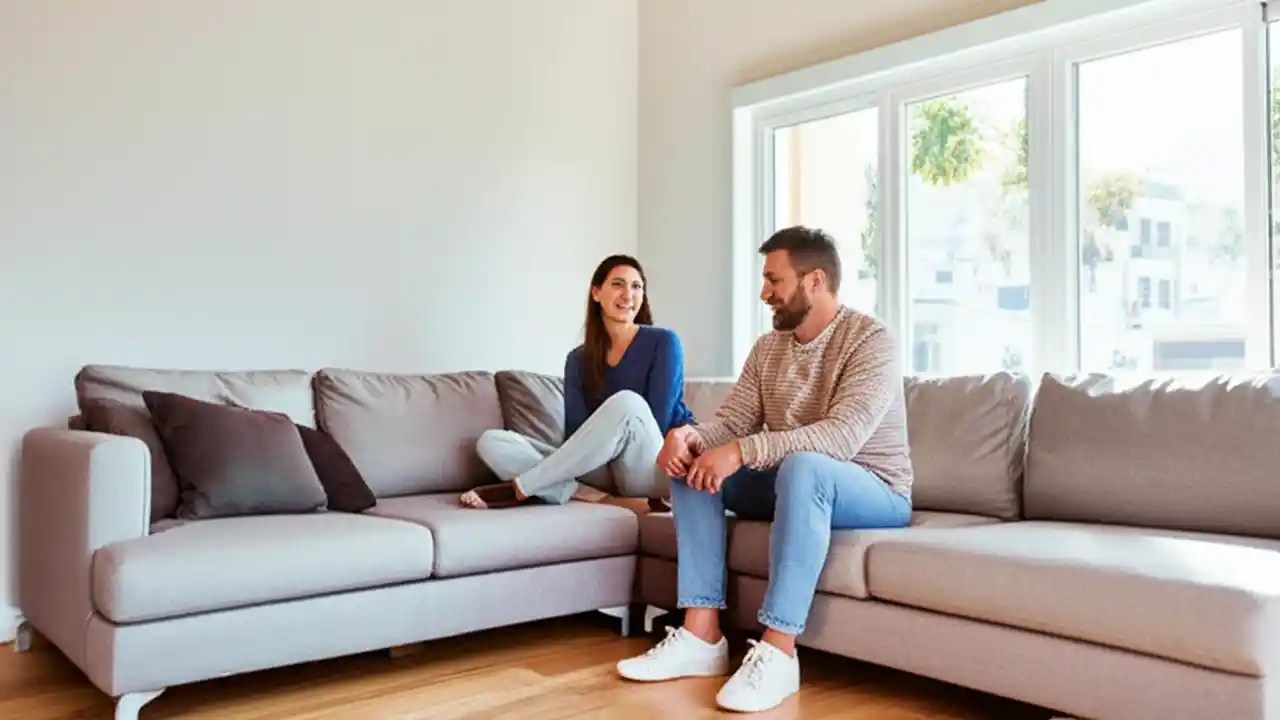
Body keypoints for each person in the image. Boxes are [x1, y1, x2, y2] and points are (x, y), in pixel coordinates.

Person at [615, 226, 913, 713]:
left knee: (804, 468)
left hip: (874, 488)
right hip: (795, 481)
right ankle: (701, 636)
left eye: (774, 280)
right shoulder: (768, 347)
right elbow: (732, 421)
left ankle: (778, 653)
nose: (764, 293)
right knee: (693, 465)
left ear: (815, 280)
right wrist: (688, 436)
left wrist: (741, 451)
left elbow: (841, 438)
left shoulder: (871, 341)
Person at [460, 254, 695, 510]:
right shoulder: (577, 359)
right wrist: (589, 454)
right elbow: (576, 435)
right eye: (618, 284)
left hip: (653, 464)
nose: (628, 294)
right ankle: (608, 500)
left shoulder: (664, 342)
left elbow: (659, 419)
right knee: (492, 442)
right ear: (596, 293)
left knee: (628, 403)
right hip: (600, 470)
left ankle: (521, 488)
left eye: (636, 286)